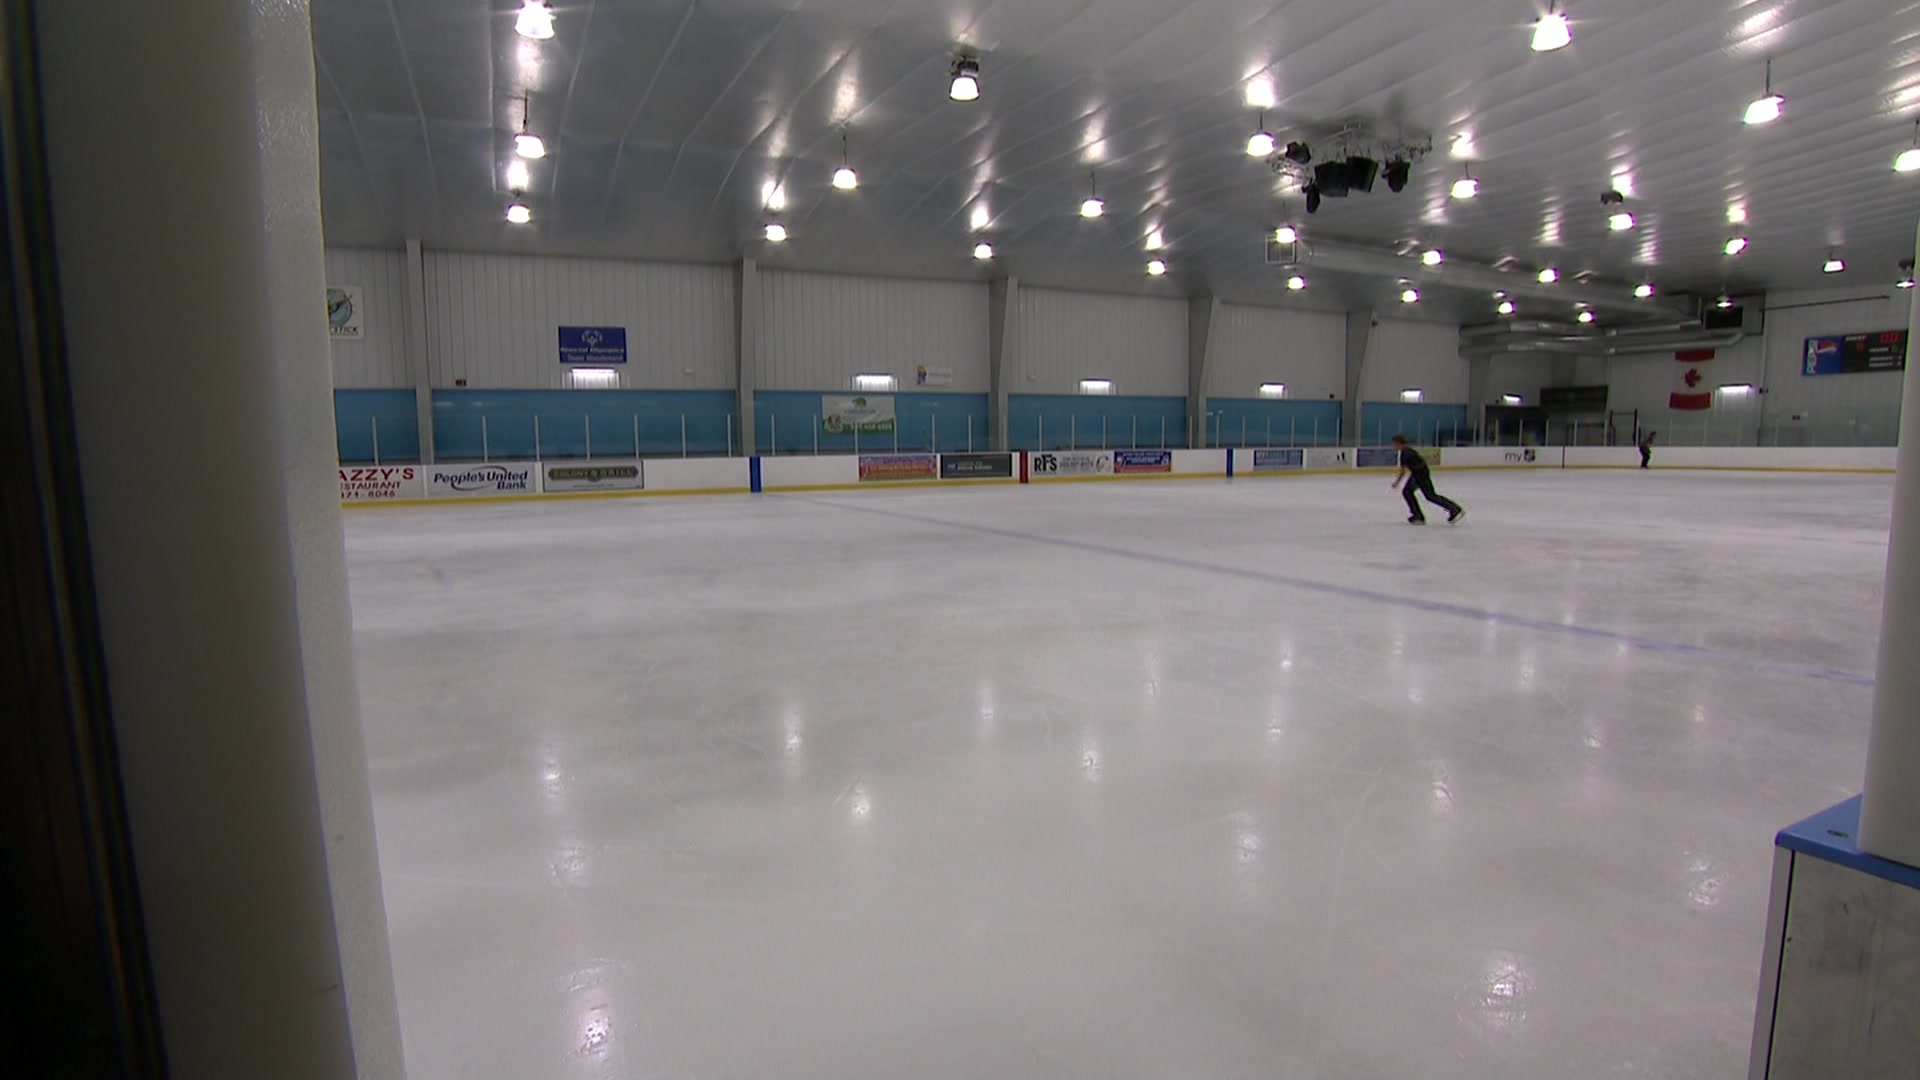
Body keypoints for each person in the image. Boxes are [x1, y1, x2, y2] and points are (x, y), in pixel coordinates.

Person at [1390, 435, 1464, 525]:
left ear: (1398, 443)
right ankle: (1418, 515)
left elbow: (1403, 471)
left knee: (1430, 496)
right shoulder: (1408, 451)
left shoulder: (1405, 453)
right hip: (1418, 474)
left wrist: (1397, 482)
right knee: (1407, 492)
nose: (1393, 446)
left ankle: (1454, 509)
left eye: (1394, 444)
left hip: (1420, 475)